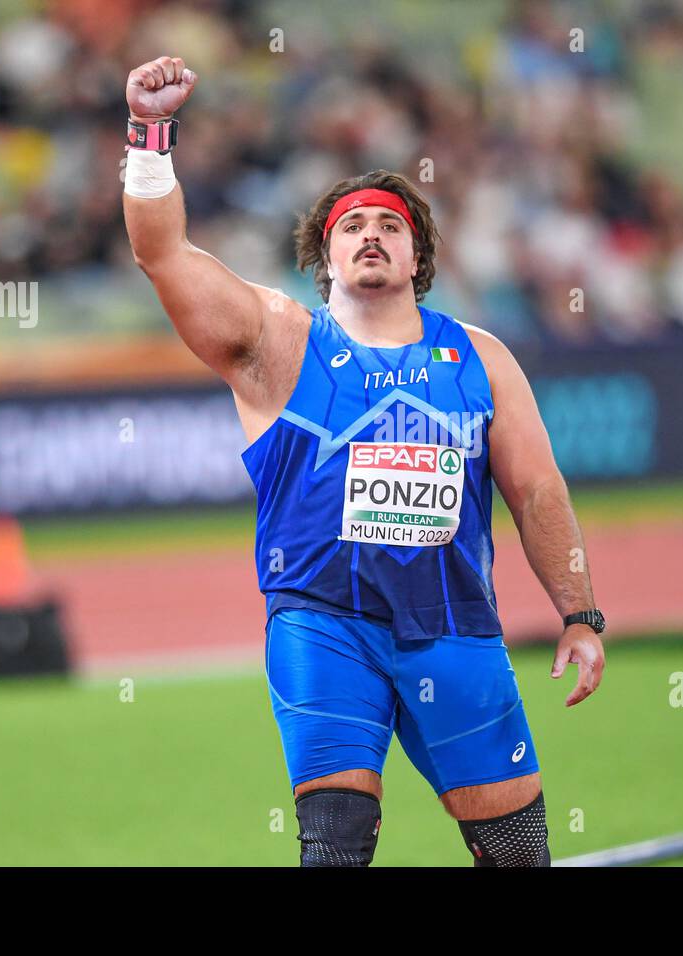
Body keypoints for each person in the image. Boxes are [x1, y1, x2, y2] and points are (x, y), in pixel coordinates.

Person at [122, 56, 606, 867]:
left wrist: (580, 613)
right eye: (353, 226)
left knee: (519, 856)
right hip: (323, 625)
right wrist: (149, 132)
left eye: (391, 226)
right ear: (326, 259)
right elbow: (162, 254)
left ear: (417, 258)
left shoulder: (479, 359)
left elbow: (535, 489)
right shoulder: (279, 344)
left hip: (454, 629)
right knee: (336, 848)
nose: (372, 235)